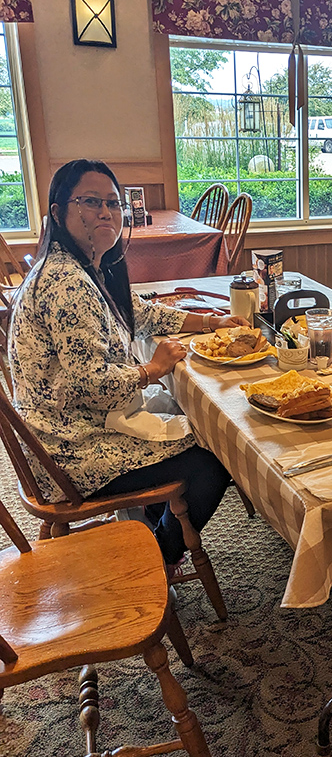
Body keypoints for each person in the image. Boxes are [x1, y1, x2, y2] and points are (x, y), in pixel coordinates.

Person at [9, 159, 249, 568]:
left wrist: (212, 320)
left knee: (190, 420)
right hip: (70, 450)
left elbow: (140, 313)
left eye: (113, 204)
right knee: (216, 454)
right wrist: (152, 369)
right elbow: (94, 384)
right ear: (58, 212)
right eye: (90, 202)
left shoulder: (83, 267)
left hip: (70, 429)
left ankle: (148, 524)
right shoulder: (66, 282)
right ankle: (157, 558)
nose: (106, 212)